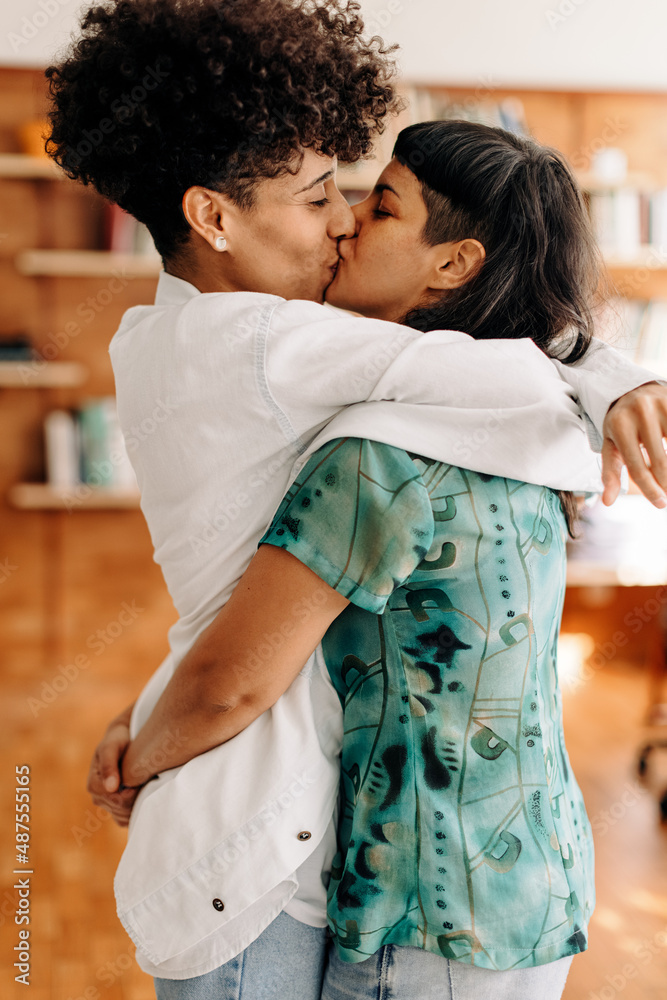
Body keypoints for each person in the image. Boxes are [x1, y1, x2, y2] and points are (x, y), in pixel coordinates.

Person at [44, 0, 667, 994]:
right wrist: (617, 377)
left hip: (351, 858)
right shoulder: (271, 347)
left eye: (366, 202)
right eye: (321, 197)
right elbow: (508, 370)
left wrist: (142, 737)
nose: (340, 223)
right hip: (307, 842)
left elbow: (234, 650)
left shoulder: (177, 345)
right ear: (212, 215)